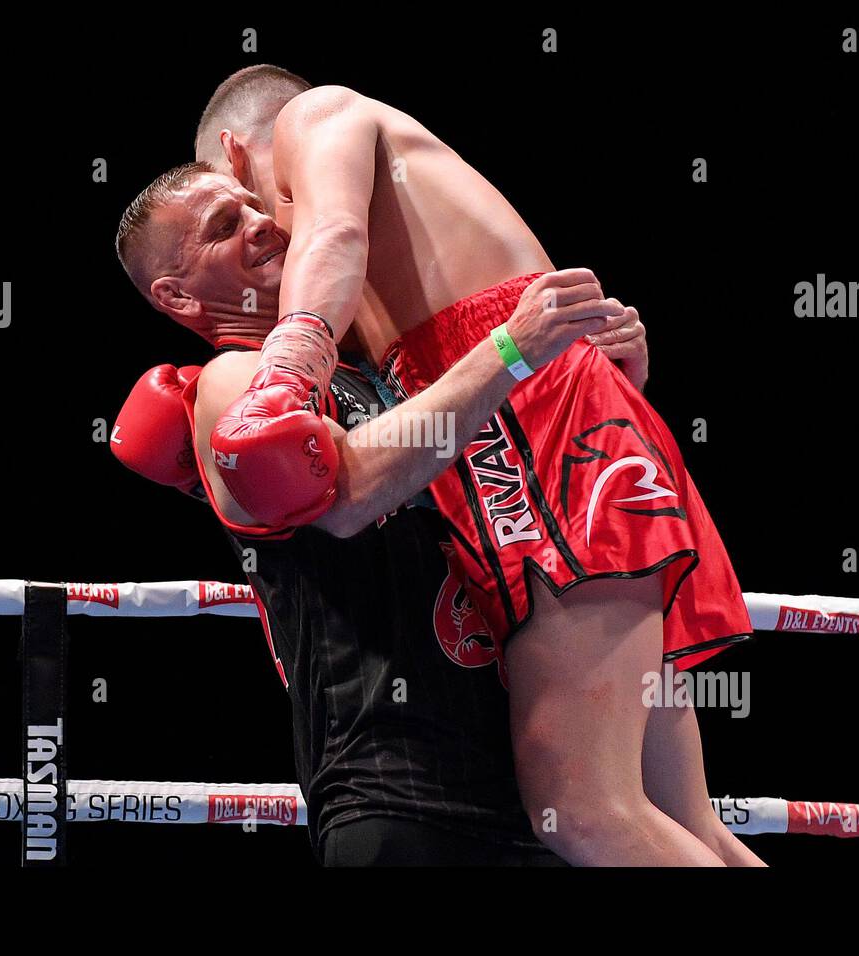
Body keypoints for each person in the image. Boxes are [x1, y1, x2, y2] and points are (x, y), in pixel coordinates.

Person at [188, 65, 762, 866]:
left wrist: (289, 363)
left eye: (238, 202)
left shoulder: (318, 118)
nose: (268, 230)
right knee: (678, 822)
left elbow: (334, 238)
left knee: (589, 809)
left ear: (234, 153)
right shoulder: (374, 313)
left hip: (534, 422)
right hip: (536, 422)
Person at [115, 191, 648, 863]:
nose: (260, 225)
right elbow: (348, 498)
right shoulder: (235, 381)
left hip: (535, 789)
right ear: (180, 297)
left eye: (255, 207)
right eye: (225, 229)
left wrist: (599, 380)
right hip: (397, 794)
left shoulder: (381, 371)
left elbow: (527, 513)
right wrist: (512, 348)